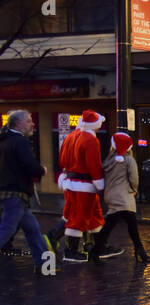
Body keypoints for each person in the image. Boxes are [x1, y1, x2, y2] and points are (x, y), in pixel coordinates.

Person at [0, 109, 57, 273]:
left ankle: (46, 266)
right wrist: (42, 170)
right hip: (16, 193)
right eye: (28, 121)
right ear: (18, 124)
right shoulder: (20, 141)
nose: (32, 124)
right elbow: (29, 164)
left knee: (33, 229)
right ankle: (45, 265)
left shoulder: (4, 140)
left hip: (9, 193)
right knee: (7, 229)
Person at [55, 109, 108, 263]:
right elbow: (94, 165)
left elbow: (62, 158)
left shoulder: (71, 136)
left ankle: (100, 247)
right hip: (84, 185)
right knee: (79, 218)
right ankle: (70, 251)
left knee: (93, 216)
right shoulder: (91, 140)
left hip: (70, 183)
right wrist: (100, 184)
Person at [89, 131, 148, 264]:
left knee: (111, 225)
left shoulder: (108, 161)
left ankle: (96, 251)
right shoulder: (129, 160)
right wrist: (134, 190)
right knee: (130, 226)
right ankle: (139, 252)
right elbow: (134, 179)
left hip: (111, 196)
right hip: (124, 197)